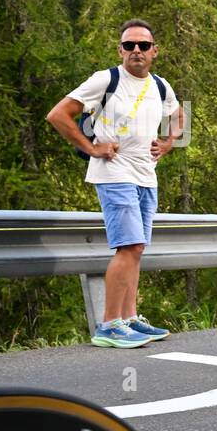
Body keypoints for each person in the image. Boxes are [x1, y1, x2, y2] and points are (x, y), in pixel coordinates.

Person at [46, 19, 181, 348]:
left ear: (154, 51)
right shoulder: (106, 80)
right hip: (114, 173)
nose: (137, 50)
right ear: (120, 50)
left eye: (144, 46)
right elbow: (58, 115)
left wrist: (169, 142)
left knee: (137, 249)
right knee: (128, 247)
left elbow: (179, 117)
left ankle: (130, 318)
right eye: (130, 45)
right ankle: (109, 324)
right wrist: (91, 147)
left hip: (146, 176)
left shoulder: (161, 86)